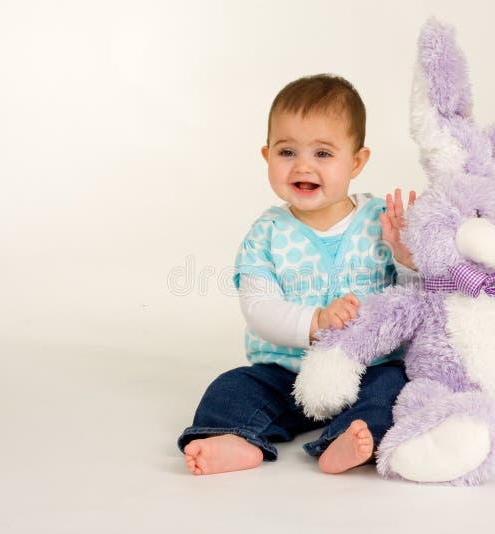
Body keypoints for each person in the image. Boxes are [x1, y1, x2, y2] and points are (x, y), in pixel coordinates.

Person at [177, 74, 417, 476]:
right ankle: (236, 437)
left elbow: (415, 304)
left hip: (368, 367)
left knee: (395, 390)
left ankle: (348, 438)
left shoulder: (381, 222)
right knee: (232, 387)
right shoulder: (266, 234)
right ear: (267, 155)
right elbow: (258, 307)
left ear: (356, 162)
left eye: (323, 153)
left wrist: (408, 260)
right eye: (287, 151)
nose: (303, 165)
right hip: (287, 371)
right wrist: (315, 321)